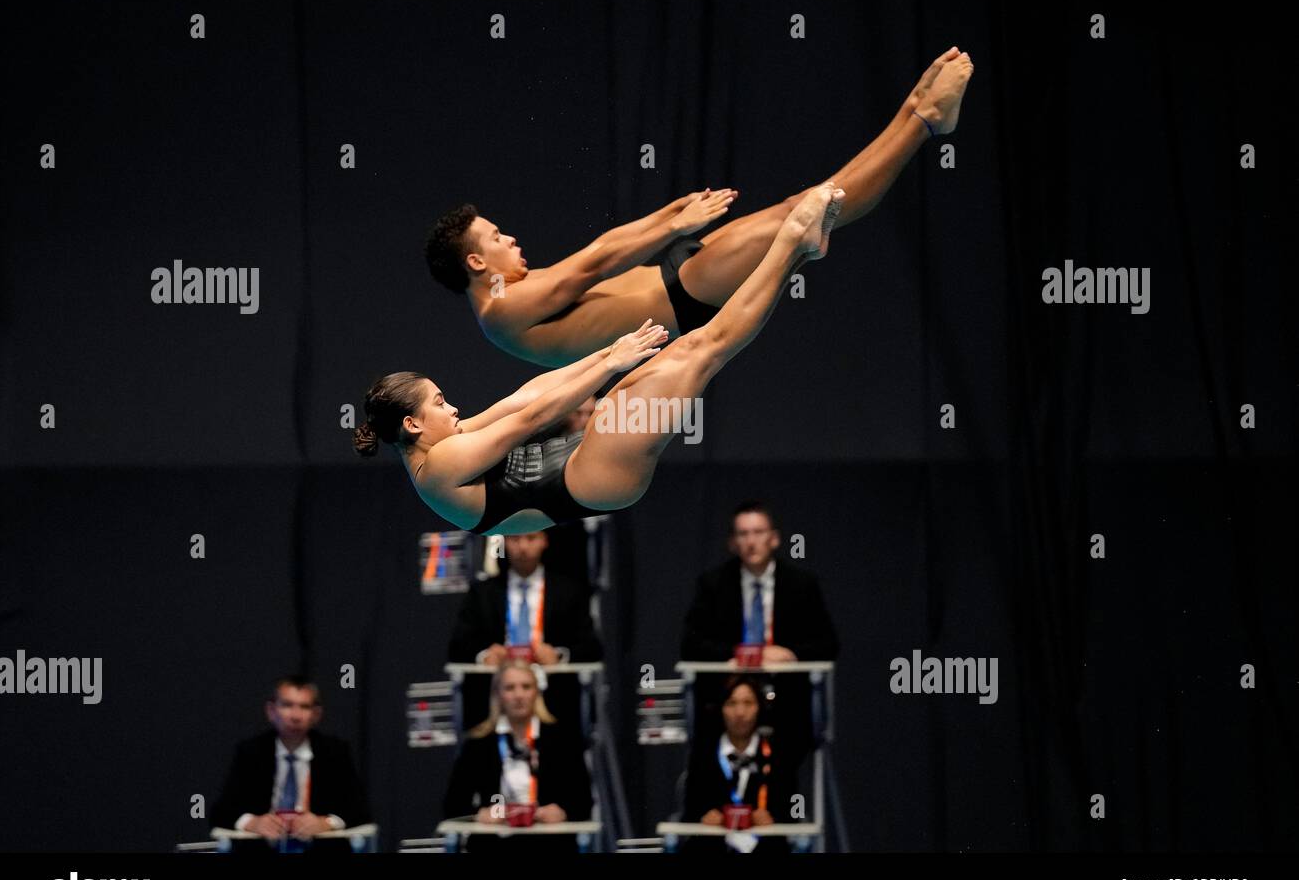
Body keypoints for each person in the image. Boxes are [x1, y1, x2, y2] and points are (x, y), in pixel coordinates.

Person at [422, 50, 973, 367]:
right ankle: (922, 119)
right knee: (810, 210)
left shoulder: (511, 293)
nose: (510, 239)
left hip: (680, 276)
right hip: (684, 296)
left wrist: (670, 218)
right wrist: (670, 227)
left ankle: (915, 116)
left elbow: (603, 252)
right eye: (495, 237)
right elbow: (591, 263)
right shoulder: (500, 311)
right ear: (474, 262)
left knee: (801, 207)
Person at [354, 182, 847, 533]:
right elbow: (533, 416)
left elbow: (523, 395)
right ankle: (790, 246)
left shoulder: (449, 444)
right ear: (414, 425)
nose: (453, 408)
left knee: (688, 354)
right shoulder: (438, 466)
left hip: (587, 458)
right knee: (699, 349)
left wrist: (606, 354)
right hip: (591, 477)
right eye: (439, 404)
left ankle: (800, 252)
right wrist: (608, 364)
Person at [681, 501, 839, 762]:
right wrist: (737, 654)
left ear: (774, 539)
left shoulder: (801, 584)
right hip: (729, 696)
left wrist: (789, 653)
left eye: (758, 532)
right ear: (732, 543)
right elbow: (690, 644)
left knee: (788, 755)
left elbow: (828, 644)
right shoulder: (713, 584)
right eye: (743, 534)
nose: (751, 541)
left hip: (787, 699)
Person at [450, 530, 601, 729]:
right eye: (515, 538)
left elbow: (592, 646)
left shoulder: (569, 590)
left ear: (544, 541)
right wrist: (484, 656)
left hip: (557, 699)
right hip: (494, 699)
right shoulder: (483, 592)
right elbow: (457, 645)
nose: (522, 547)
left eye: (530, 538)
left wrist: (559, 655)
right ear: (504, 542)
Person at [441, 660, 593, 853]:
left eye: (526, 687)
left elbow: (584, 801)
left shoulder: (563, 740)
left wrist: (563, 812)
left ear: (537, 692)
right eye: (510, 688)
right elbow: (452, 804)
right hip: (495, 845)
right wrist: (479, 815)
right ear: (498, 695)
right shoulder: (479, 743)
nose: (519, 695)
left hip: (550, 844)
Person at [211, 676, 370, 846]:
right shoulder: (251, 752)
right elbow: (221, 812)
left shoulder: (334, 752)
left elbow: (359, 811)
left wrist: (325, 823)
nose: (296, 716)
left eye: (305, 707)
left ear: (316, 714)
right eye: (287, 705)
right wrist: (253, 823)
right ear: (271, 711)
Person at [682, 676, 798, 854]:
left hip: (765, 847)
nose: (740, 712)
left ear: (760, 708)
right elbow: (688, 813)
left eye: (748, 703)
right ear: (721, 708)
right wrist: (704, 818)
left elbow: (794, 813)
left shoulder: (777, 756)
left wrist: (773, 819)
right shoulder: (703, 756)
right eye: (731, 703)